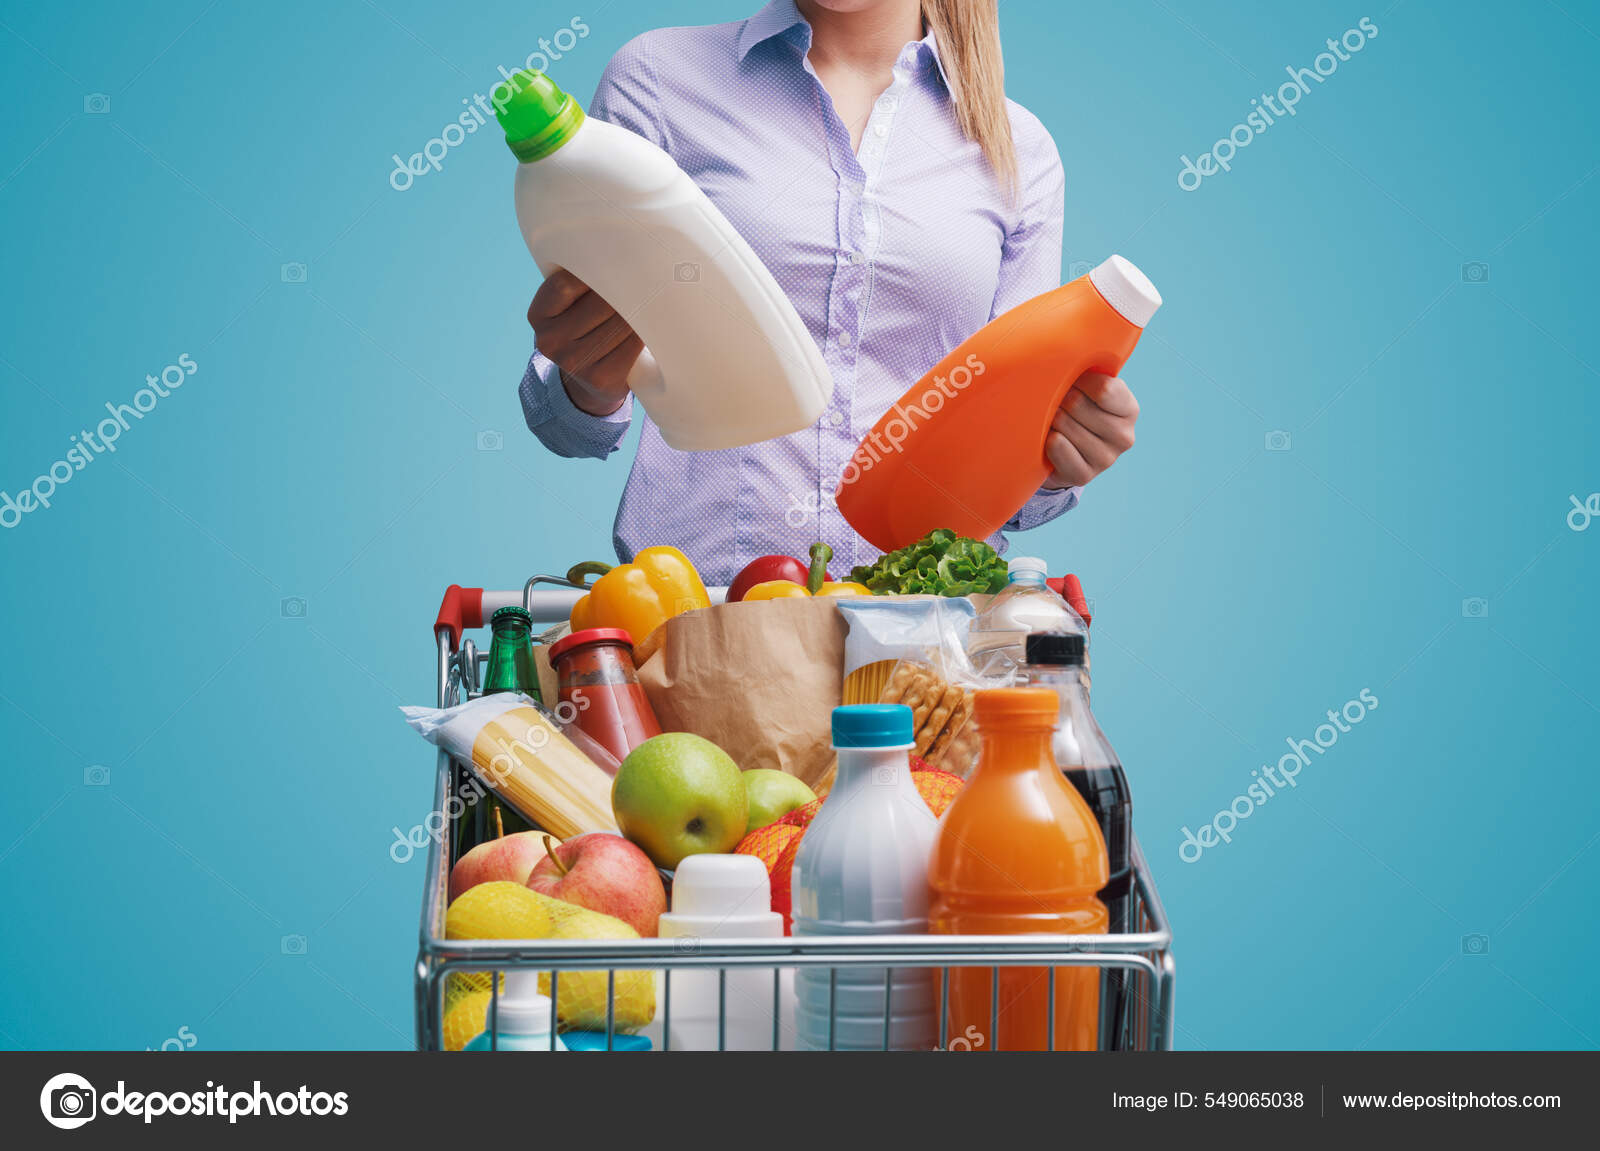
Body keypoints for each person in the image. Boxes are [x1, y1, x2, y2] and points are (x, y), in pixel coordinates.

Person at [518, 0, 1141, 585]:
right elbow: (569, 425)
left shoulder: (1020, 148)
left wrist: (1057, 459)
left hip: (925, 623)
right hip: (700, 614)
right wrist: (589, 380)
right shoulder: (658, 80)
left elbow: (1009, 471)